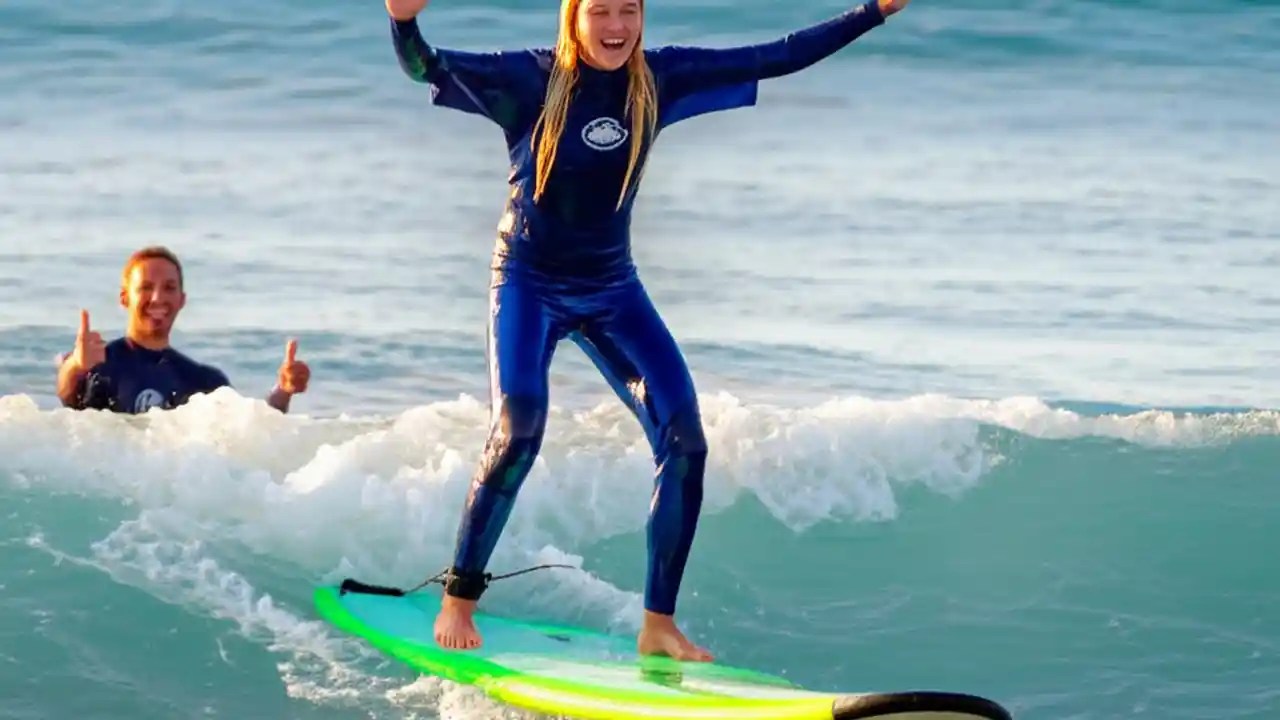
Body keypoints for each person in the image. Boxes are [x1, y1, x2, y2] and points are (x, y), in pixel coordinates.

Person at [384, 0, 909, 660]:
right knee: (519, 431)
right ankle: (459, 595)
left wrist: (874, 11)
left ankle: (658, 624)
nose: (616, 26)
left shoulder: (658, 79)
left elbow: (778, 55)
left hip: (611, 286)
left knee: (686, 442)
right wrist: (403, 23)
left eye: (628, 10)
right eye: (601, 11)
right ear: (573, 16)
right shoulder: (528, 80)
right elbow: (423, 68)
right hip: (528, 281)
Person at [56, 246, 311, 414]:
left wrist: (284, 391)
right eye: (145, 287)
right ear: (124, 298)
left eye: (169, 288)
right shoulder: (100, 364)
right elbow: (67, 394)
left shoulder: (201, 380)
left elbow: (249, 431)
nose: (157, 298)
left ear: (181, 300)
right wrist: (77, 366)